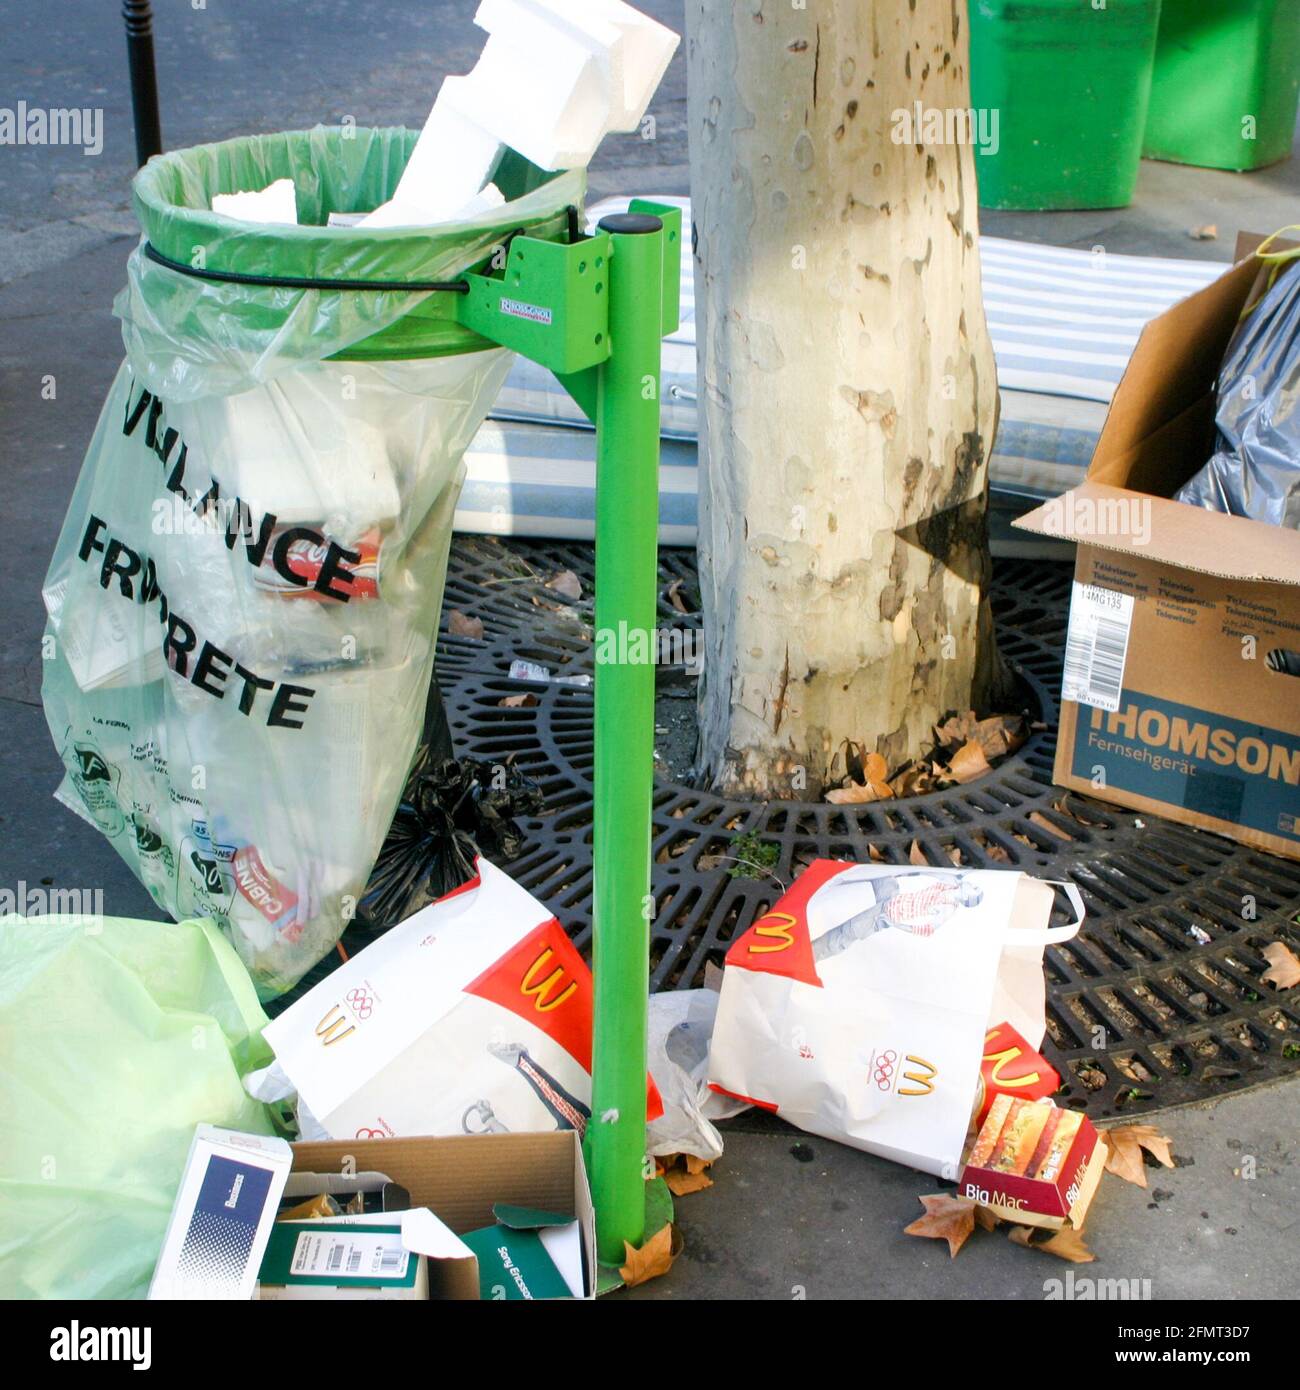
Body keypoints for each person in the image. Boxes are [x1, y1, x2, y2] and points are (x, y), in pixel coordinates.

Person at [812, 872, 984, 962]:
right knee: (880, 874)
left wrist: (893, 923)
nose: (973, 885)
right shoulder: (949, 886)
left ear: (968, 898)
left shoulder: (947, 907)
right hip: (892, 898)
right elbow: (938, 875)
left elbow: (927, 930)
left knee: (847, 933)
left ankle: (808, 954)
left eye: (974, 888)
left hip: (885, 915)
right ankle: (827, 877)